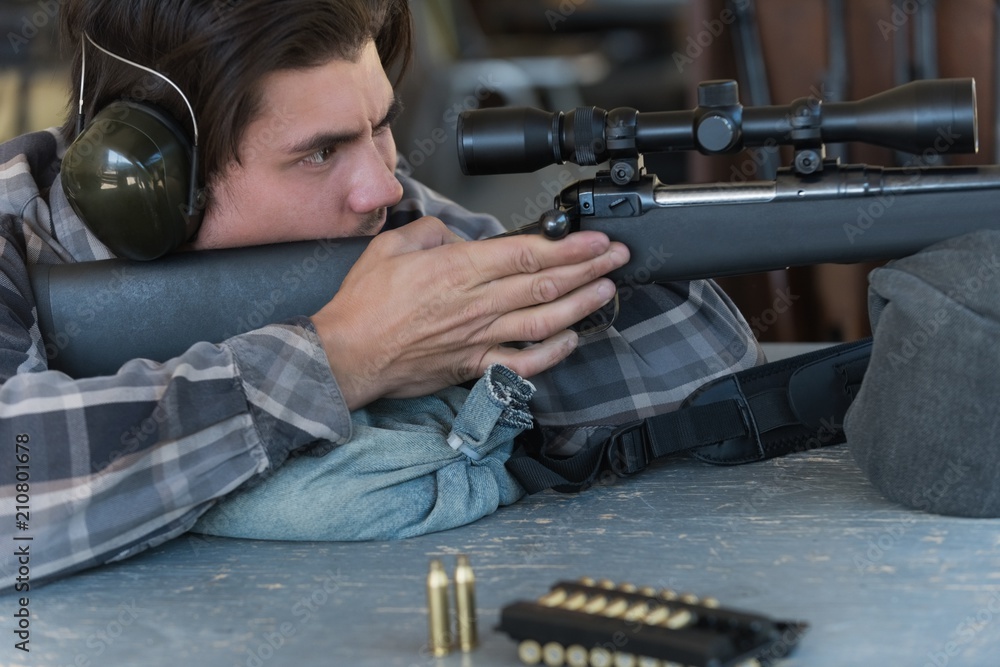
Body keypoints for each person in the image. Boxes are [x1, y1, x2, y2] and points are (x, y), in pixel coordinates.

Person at [0, 0, 760, 588]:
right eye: (320, 152)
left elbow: (706, 360)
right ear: (155, 182)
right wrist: (341, 359)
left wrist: (464, 349)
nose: (382, 183)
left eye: (382, 126)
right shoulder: (13, 239)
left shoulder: (378, 213)